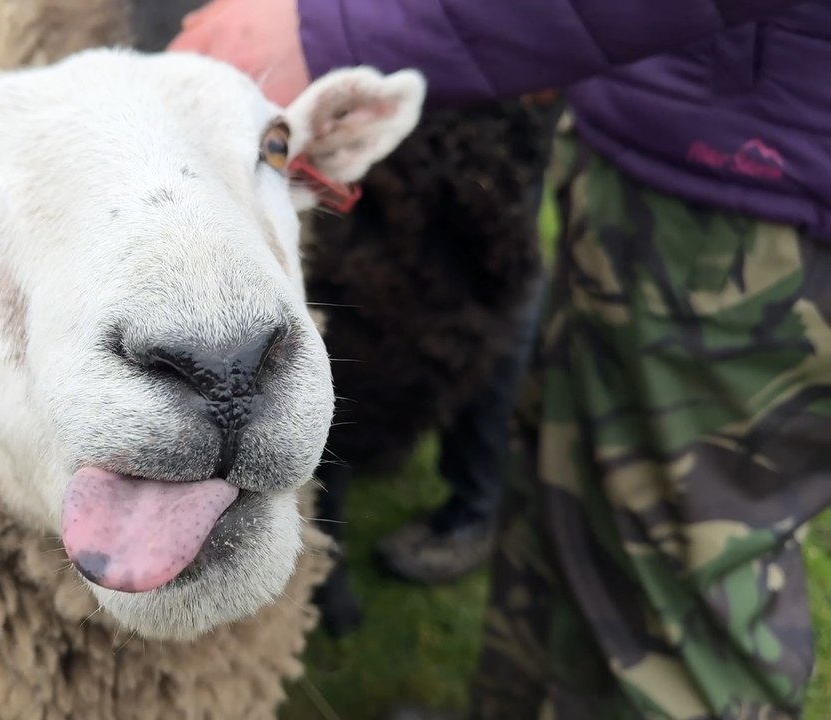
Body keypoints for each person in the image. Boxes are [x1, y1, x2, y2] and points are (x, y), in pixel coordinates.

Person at [170, 1, 831, 719]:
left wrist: (345, 28)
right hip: (683, 132)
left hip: (756, 200)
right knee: (578, 503)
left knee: (685, 591)